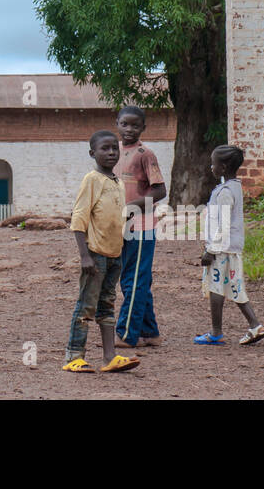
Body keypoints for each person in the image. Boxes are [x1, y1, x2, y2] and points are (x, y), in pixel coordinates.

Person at [62, 130, 140, 373]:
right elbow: (79, 218)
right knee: (86, 306)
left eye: (114, 149)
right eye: (104, 149)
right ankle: (74, 356)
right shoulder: (91, 180)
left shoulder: (118, 182)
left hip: (115, 255)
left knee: (107, 306)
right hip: (95, 255)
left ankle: (110, 357)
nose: (110, 153)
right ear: (92, 153)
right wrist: (84, 255)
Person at [195, 144, 264, 346]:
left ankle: (216, 332)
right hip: (231, 248)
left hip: (221, 249)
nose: (211, 167)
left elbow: (223, 224)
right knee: (236, 288)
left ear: (223, 167)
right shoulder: (234, 186)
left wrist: (210, 250)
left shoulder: (226, 192)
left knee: (217, 288)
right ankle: (255, 325)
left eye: (213, 163)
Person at [113, 105, 167, 349]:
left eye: (135, 125)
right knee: (131, 279)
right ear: (117, 123)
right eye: (125, 124)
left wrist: (131, 207)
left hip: (141, 227)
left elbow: (160, 191)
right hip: (119, 226)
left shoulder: (146, 154)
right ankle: (150, 331)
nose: (129, 129)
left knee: (135, 280)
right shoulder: (113, 152)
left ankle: (126, 334)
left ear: (143, 128)